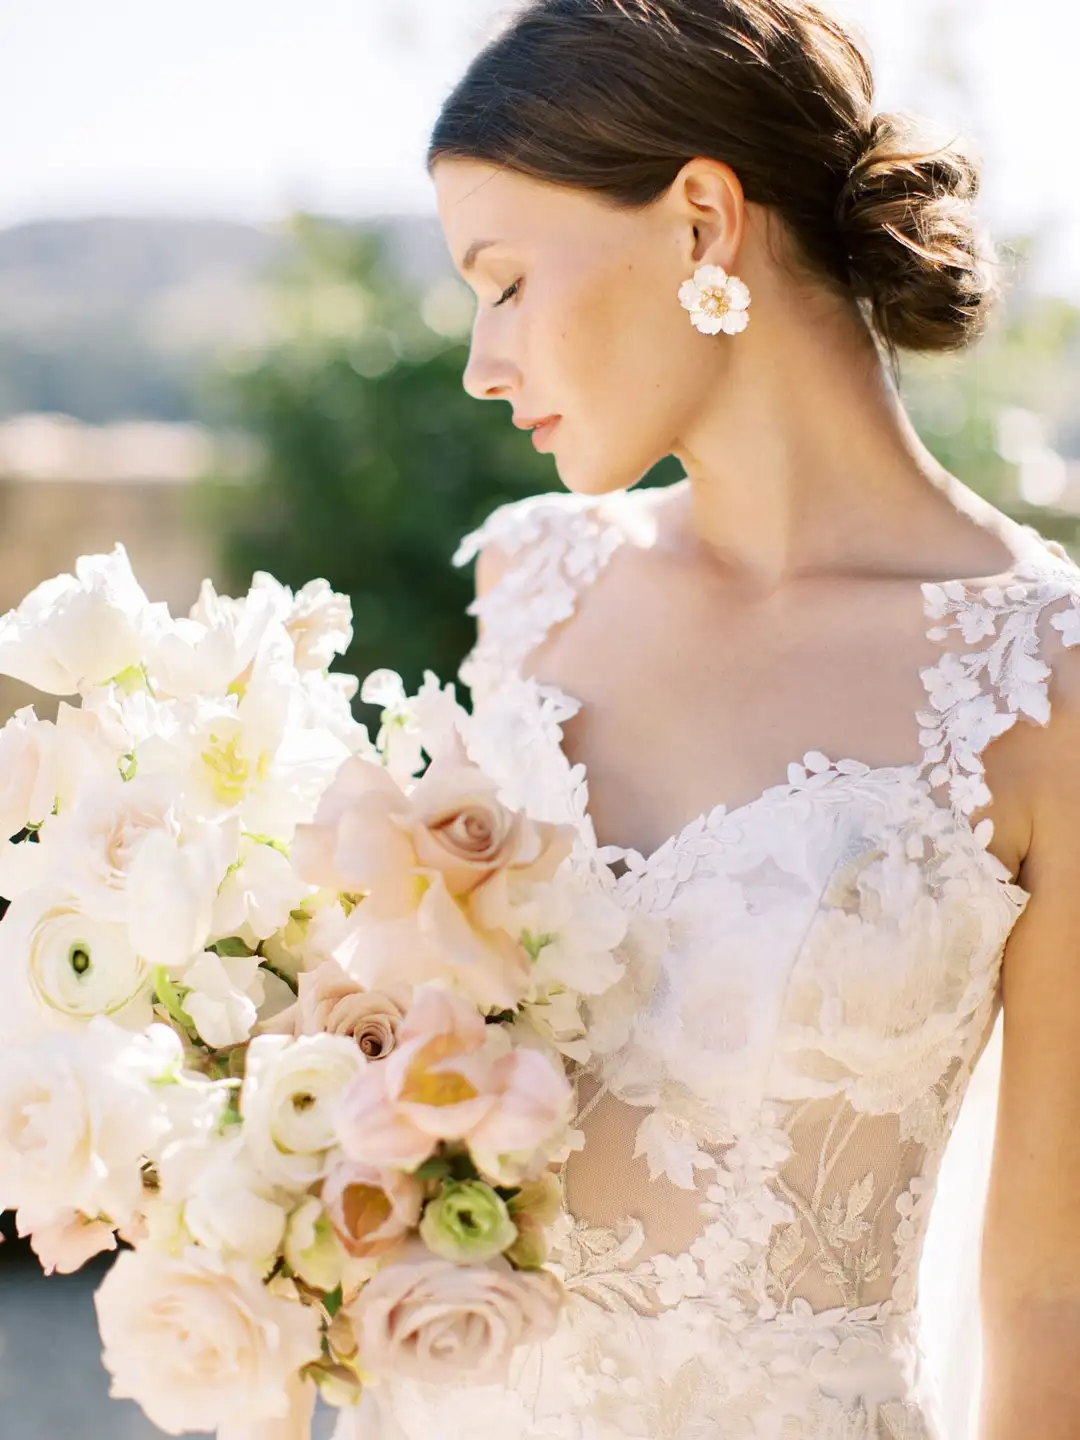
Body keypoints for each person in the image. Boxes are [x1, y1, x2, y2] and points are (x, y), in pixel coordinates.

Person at [340, 3, 1080, 1437]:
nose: (482, 364)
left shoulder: (1051, 677)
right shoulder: (531, 583)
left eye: (504, 283)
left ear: (697, 223)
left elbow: (1051, 1297)